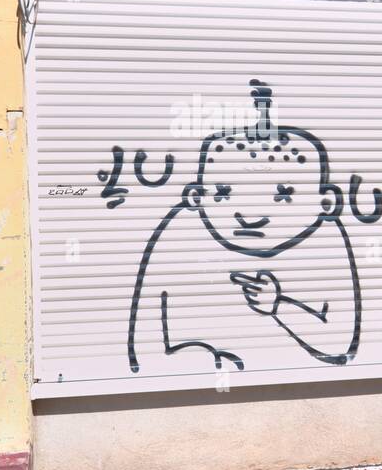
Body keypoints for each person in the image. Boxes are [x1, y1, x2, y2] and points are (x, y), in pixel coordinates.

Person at [128, 80, 361, 374]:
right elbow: (145, 340)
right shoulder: (179, 229)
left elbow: (340, 343)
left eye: (284, 194)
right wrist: (182, 362)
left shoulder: (326, 236)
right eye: (224, 192)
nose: (250, 214)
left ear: (325, 203)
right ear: (197, 197)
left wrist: (278, 306)